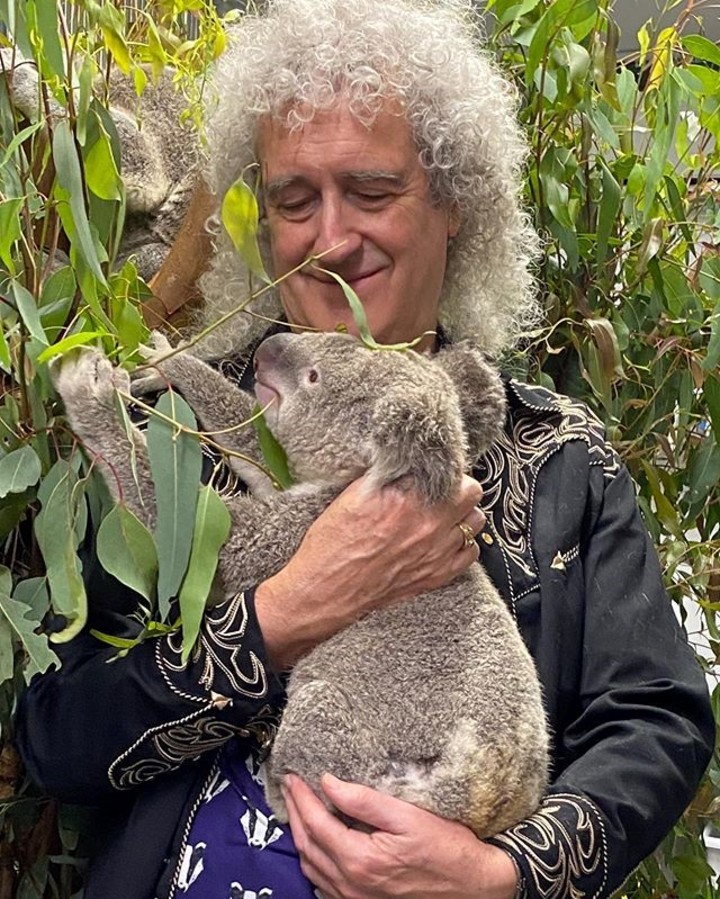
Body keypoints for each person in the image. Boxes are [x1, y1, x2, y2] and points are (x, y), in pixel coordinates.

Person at [16, 1, 714, 897]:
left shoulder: (560, 462)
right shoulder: (171, 421)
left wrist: (507, 873)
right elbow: (55, 736)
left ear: (455, 202)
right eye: (294, 199)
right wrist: (278, 618)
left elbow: (656, 721)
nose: (332, 238)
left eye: (373, 192)